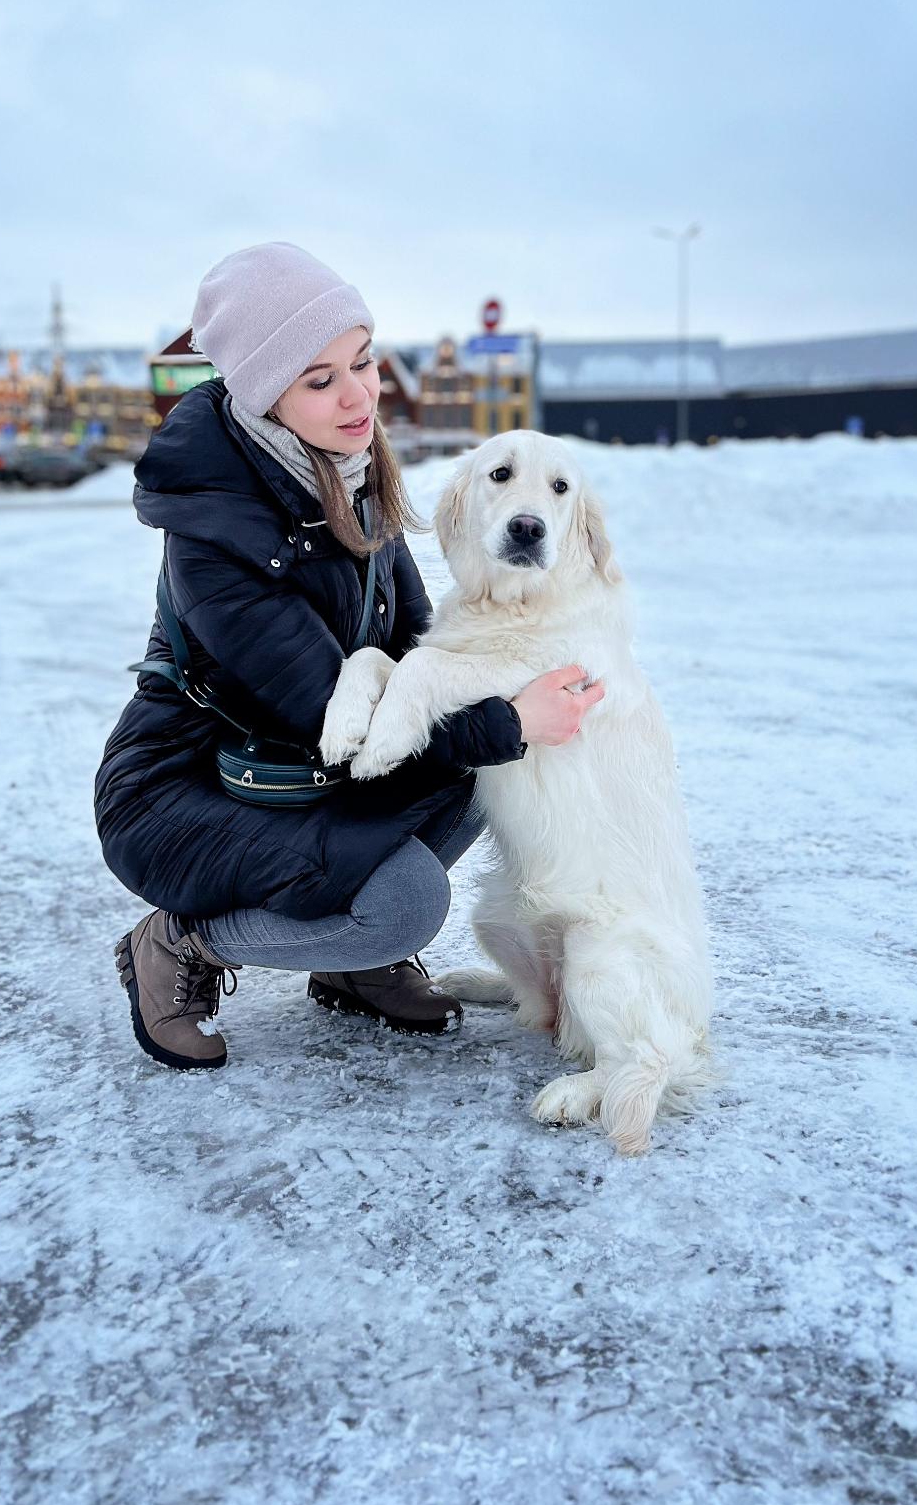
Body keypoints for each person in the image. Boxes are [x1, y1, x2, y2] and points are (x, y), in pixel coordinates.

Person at [94, 241, 604, 1072]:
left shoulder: (352, 478)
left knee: (485, 773)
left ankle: (348, 966)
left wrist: (513, 684)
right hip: (186, 787)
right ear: (266, 395)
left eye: (363, 362)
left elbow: (414, 654)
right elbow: (338, 716)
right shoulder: (213, 533)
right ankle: (182, 941)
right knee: (407, 901)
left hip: (299, 772)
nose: (359, 394)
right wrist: (510, 721)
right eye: (320, 379)